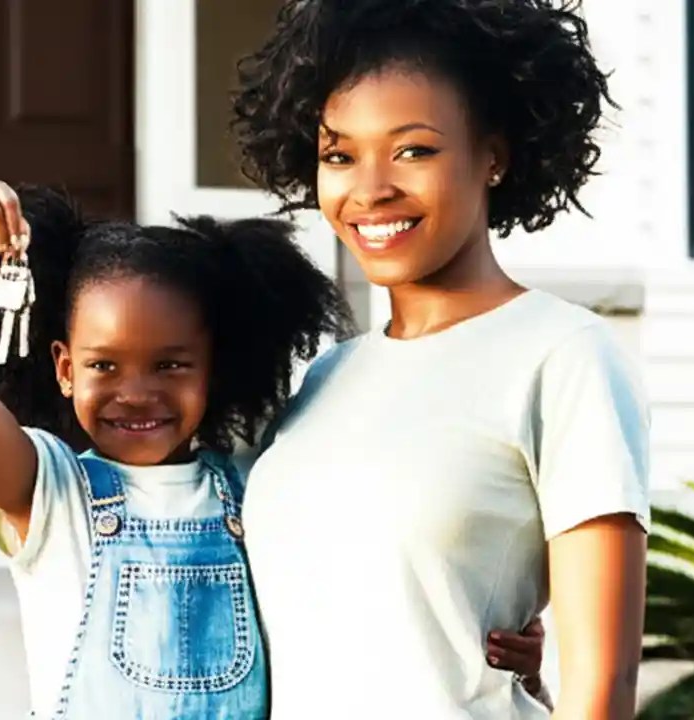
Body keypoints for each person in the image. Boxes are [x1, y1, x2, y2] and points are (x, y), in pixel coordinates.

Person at [0, 182, 550, 718]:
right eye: (104, 366)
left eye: (170, 365)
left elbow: (373, 572)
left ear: (213, 368)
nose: (136, 394)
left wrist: (496, 645)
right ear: (64, 368)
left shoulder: (258, 489)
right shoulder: (53, 495)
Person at [232, 0, 649, 717]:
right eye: (340, 154)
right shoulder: (325, 378)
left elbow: (600, 685)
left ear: (494, 155)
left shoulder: (564, 354)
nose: (370, 189)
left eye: (413, 149)